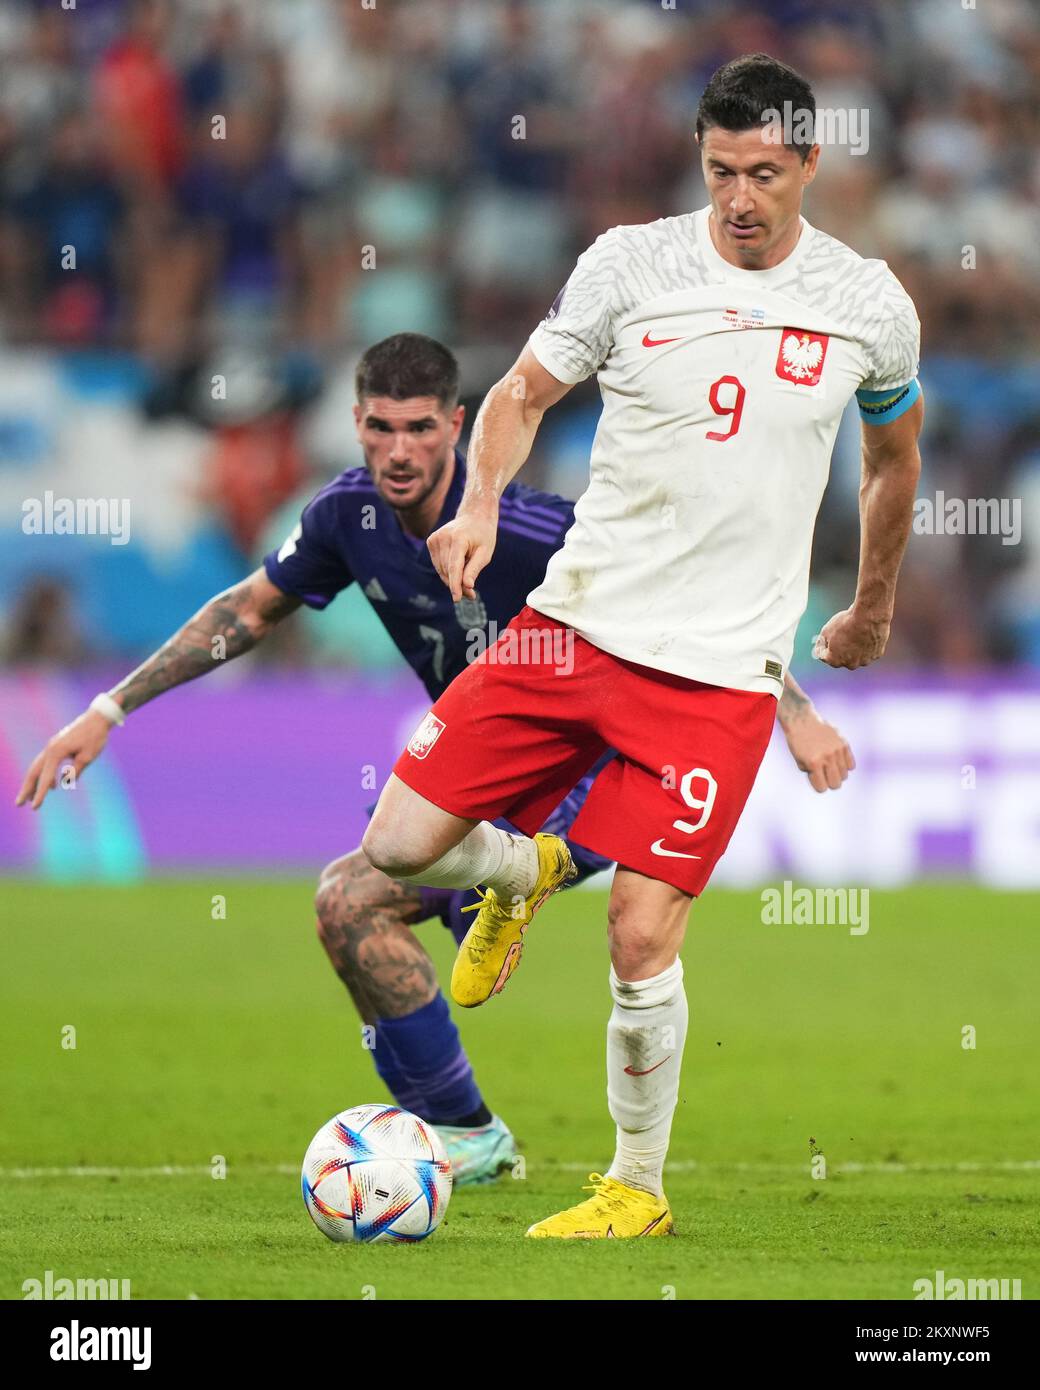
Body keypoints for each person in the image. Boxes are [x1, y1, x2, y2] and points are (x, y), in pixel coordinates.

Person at [16, 331, 856, 1185]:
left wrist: (795, 709)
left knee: (372, 892)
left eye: (420, 427)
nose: (399, 449)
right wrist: (109, 707)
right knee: (348, 905)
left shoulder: (534, 532)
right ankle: (468, 1130)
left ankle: (522, 884)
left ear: (458, 425)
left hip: (592, 772)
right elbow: (250, 610)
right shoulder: (349, 518)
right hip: (484, 777)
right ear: (355, 423)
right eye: (381, 427)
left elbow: (687, 597)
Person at [360, 55, 923, 1237]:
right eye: (719, 170)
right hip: (573, 629)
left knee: (641, 932)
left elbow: (889, 463)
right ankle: (522, 872)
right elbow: (518, 393)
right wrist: (473, 502)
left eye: (763, 172)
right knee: (397, 846)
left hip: (718, 676)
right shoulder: (629, 262)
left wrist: (868, 609)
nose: (738, 196)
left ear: (811, 162)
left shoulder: (866, 304)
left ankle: (635, 1185)